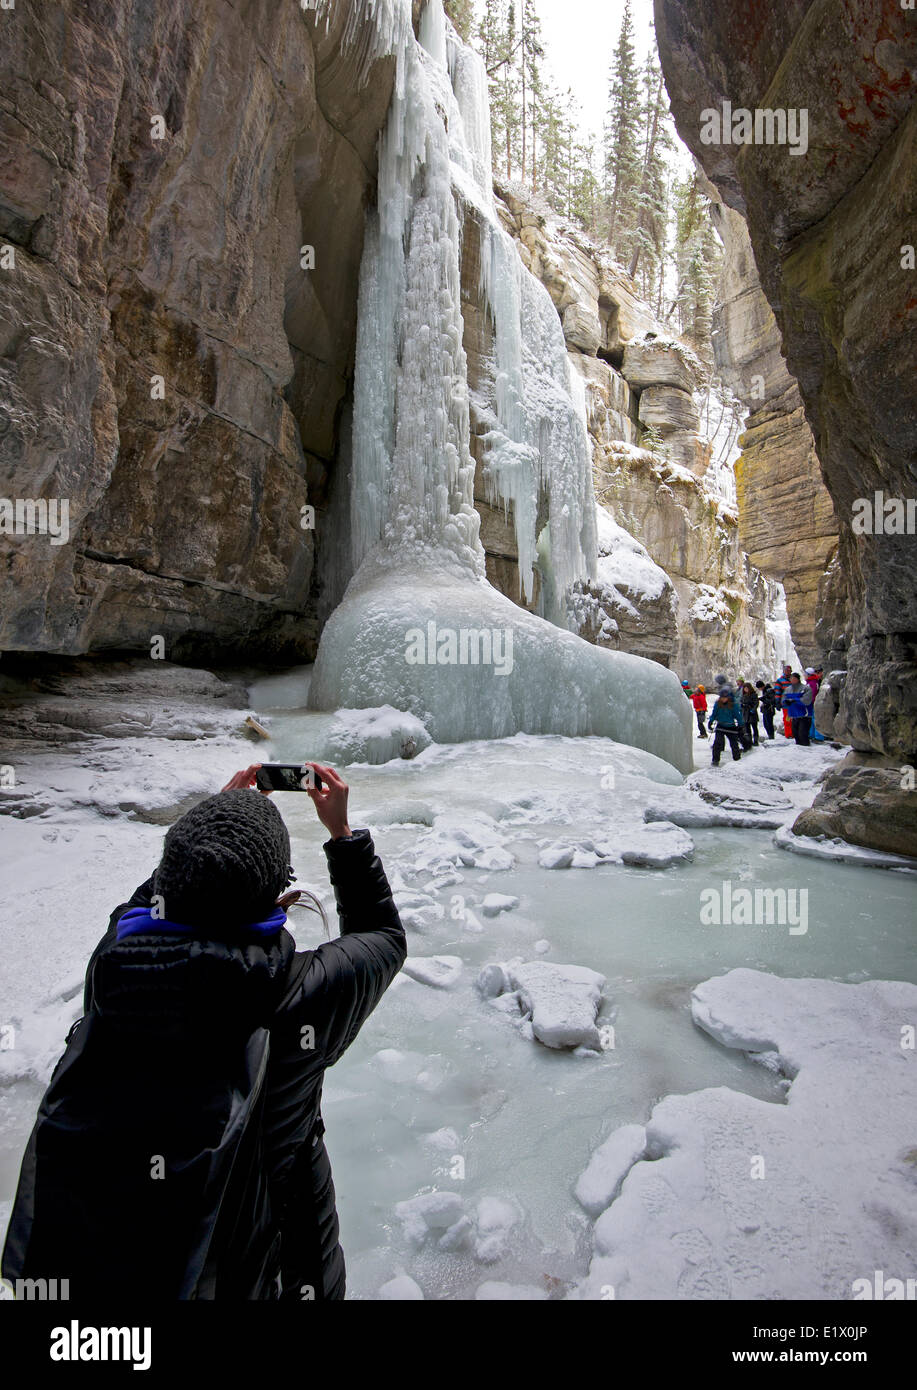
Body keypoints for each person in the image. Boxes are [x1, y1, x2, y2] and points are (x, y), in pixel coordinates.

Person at [2, 762, 406, 1302]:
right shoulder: (296, 996)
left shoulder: (114, 967)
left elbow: (146, 908)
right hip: (270, 1269)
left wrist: (206, 832)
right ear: (274, 897)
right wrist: (343, 834)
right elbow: (382, 935)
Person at [708, 689, 744, 765]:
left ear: (728, 697)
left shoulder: (733, 705)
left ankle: (737, 759)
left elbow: (738, 715)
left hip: (731, 727)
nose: (724, 699)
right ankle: (715, 760)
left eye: (725, 697)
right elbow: (714, 714)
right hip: (720, 726)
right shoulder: (718, 704)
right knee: (717, 743)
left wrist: (741, 725)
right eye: (722, 697)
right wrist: (710, 721)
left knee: (734, 744)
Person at [781, 673, 815, 746]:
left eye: (794, 679)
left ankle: (806, 748)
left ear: (798, 679)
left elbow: (807, 700)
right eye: (791, 679)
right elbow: (783, 699)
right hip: (794, 715)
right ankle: (799, 750)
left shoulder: (805, 688)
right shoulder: (788, 689)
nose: (792, 680)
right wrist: (785, 702)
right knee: (796, 734)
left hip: (804, 715)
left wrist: (795, 700)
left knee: (802, 733)